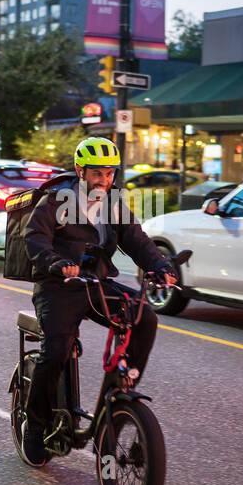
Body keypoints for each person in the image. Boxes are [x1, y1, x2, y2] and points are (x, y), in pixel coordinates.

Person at [19, 136, 175, 464]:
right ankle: (34, 426)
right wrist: (56, 262)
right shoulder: (56, 200)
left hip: (95, 284)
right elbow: (34, 238)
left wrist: (159, 265)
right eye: (97, 173)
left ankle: (120, 397)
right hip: (57, 287)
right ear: (80, 171)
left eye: (109, 173)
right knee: (57, 350)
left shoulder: (113, 202)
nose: (104, 180)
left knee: (144, 316)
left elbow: (137, 240)